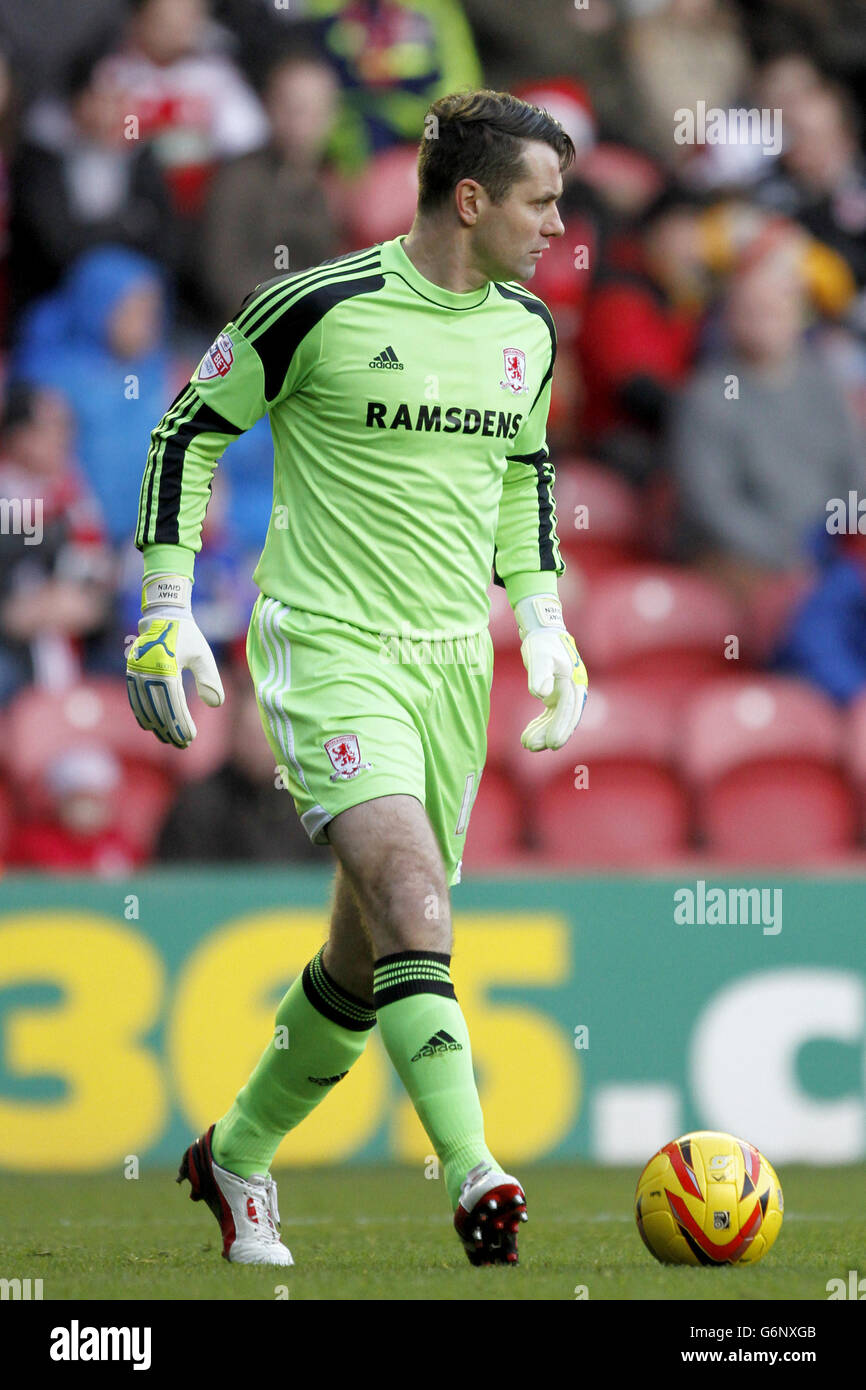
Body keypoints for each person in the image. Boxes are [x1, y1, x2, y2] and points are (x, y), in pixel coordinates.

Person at [126, 89, 588, 1268]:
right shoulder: (315, 303)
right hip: (327, 645)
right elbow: (188, 430)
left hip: (449, 666)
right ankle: (476, 1170)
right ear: (470, 198)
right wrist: (166, 608)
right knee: (413, 895)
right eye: (540, 202)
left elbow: (520, 475)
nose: (556, 228)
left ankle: (233, 1155)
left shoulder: (527, 331)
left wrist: (540, 619)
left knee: (368, 950)